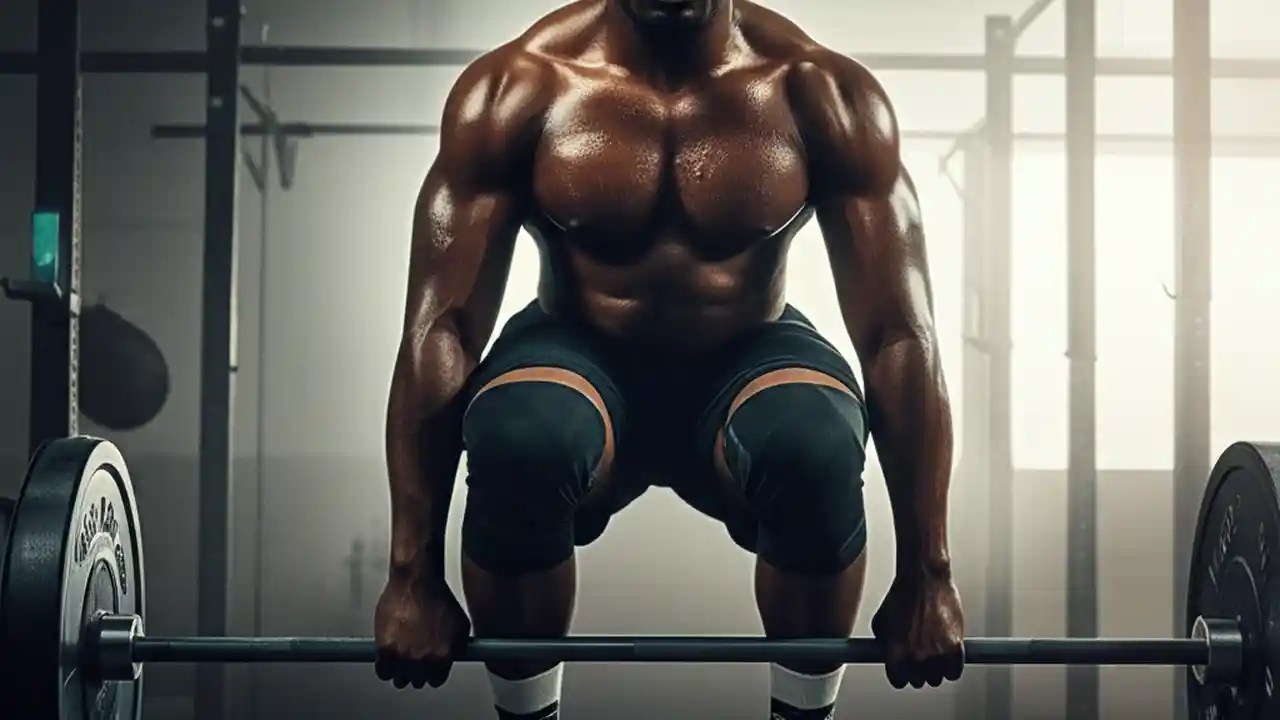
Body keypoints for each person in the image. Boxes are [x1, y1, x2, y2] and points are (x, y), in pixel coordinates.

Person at [375, 1, 964, 718]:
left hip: (748, 350)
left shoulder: (819, 91)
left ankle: (803, 714)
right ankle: (527, 713)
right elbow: (443, 327)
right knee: (519, 438)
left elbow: (898, 333)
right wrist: (412, 573)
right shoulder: (519, 87)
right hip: (576, 350)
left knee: (814, 444)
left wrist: (928, 573)